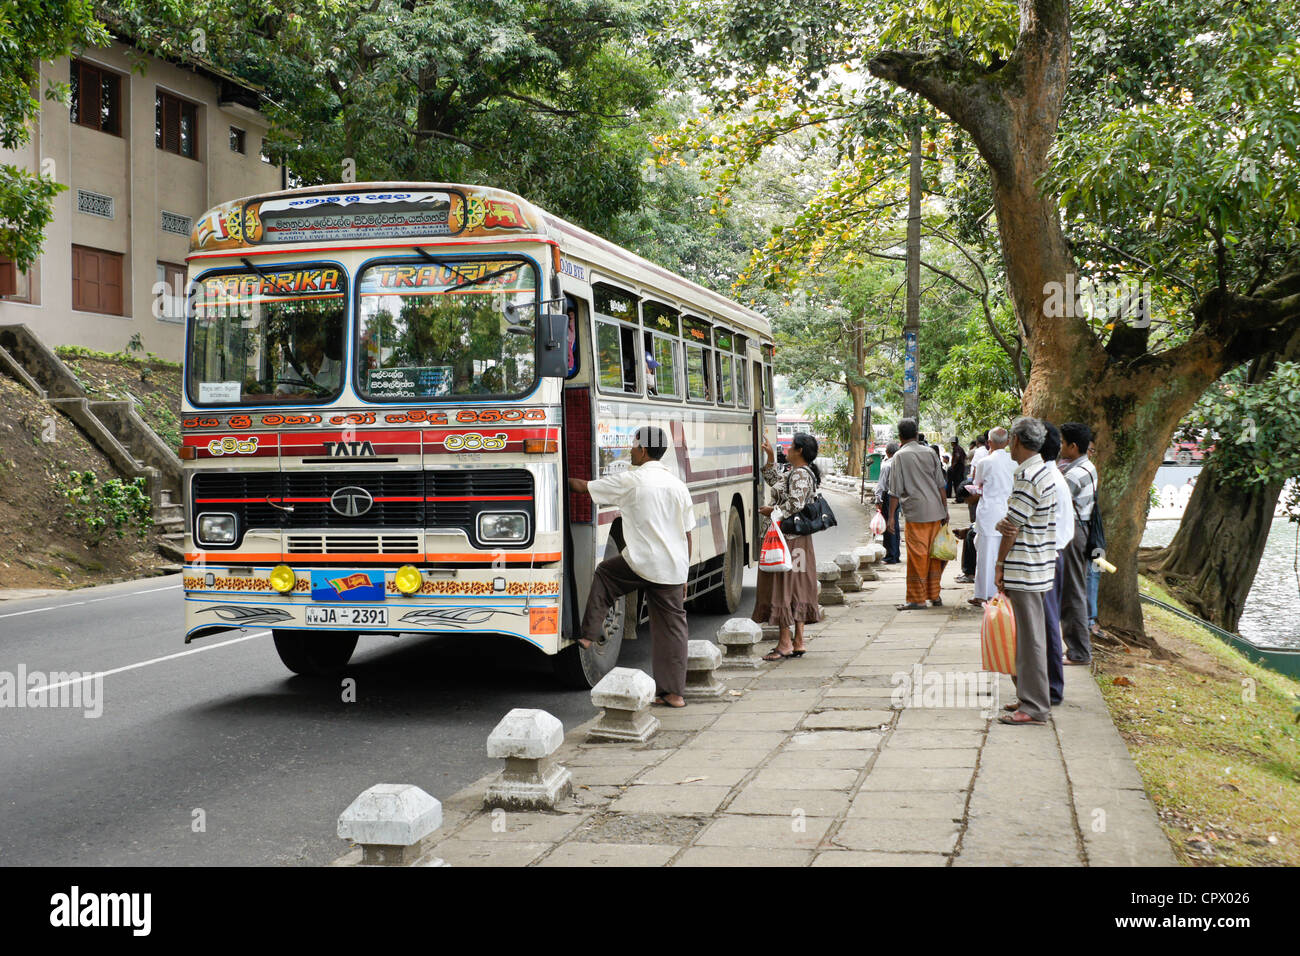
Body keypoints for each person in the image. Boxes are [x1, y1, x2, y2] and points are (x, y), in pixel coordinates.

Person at [568, 426, 694, 707]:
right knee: (672, 630)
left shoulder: (632, 480)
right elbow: (687, 533)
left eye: (634, 446)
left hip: (640, 563)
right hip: (673, 567)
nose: (631, 450)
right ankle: (674, 694)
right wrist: (684, 572)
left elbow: (583, 487)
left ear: (644, 450)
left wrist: (552, 475)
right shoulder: (678, 485)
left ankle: (588, 635)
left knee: (605, 575)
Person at [994, 417, 1057, 726]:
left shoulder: (1029, 476)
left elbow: (1011, 526)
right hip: (1038, 565)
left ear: (1016, 441)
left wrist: (999, 564)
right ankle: (1029, 697)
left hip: (1025, 567)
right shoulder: (1043, 471)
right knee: (1027, 637)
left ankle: (1033, 706)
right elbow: (1012, 521)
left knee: (1029, 640)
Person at [753, 432, 824, 659]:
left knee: (783, 585)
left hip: (789, 539)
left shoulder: (801, 474)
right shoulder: (795, 473)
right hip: (796, 540)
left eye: (791, 446)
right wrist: (771, 457)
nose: (788, 449)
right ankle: (798, 640)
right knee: (797, 586)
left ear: (800, 450)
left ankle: (785, 643)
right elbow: (776, 482)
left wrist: (772, 512)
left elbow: (795, 503)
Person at [886, 418, 949, 610]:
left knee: (917, 556)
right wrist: (945, 510)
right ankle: (934, 595)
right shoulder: (930, 452)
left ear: (900, 437)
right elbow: (941, 484)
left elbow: (895, 490)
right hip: (936, 511)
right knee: (934, 555)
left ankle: (916, 598)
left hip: (916, 512)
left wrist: (890, 517)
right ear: (916, 434)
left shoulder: (899, 456)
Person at [1059, 422, 1099, 664]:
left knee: (1073, 592)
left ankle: (1079, 652)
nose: (1061, 447)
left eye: (1063, 443)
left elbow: (1055, 500)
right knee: (1073, 589)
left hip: (1073, 532)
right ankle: (1076, 648)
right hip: (1080, 530)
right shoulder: (1087, 466)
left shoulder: (1073, 474)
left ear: (1073, 447)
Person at [1040, 423, 1073, 706]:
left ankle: (1052, 687)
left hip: (1048, 558)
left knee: (1048, 622)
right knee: (1043, 622)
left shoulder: (1047, 480)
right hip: (1050, 555)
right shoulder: (1049, 476)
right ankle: (1045, 684)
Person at [967, 426, 1013, 606]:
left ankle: (983, 594)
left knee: (986, 554)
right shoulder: (1014, 461)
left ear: (989, 443)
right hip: (1008, 511)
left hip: (989, 511)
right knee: (1005, 553)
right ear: (1008, 442)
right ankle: (1001, 593)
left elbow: (977, 484)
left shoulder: (985, 462)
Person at [876, 441, 901, 564]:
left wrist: (878, 499)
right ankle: (896, 554)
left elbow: (881, 485)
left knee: (888, 524)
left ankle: (890, 555)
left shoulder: (886, 466)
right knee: (895, 523)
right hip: (898, 496)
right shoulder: (899, 465)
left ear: (887, 452)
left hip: (887, 496)